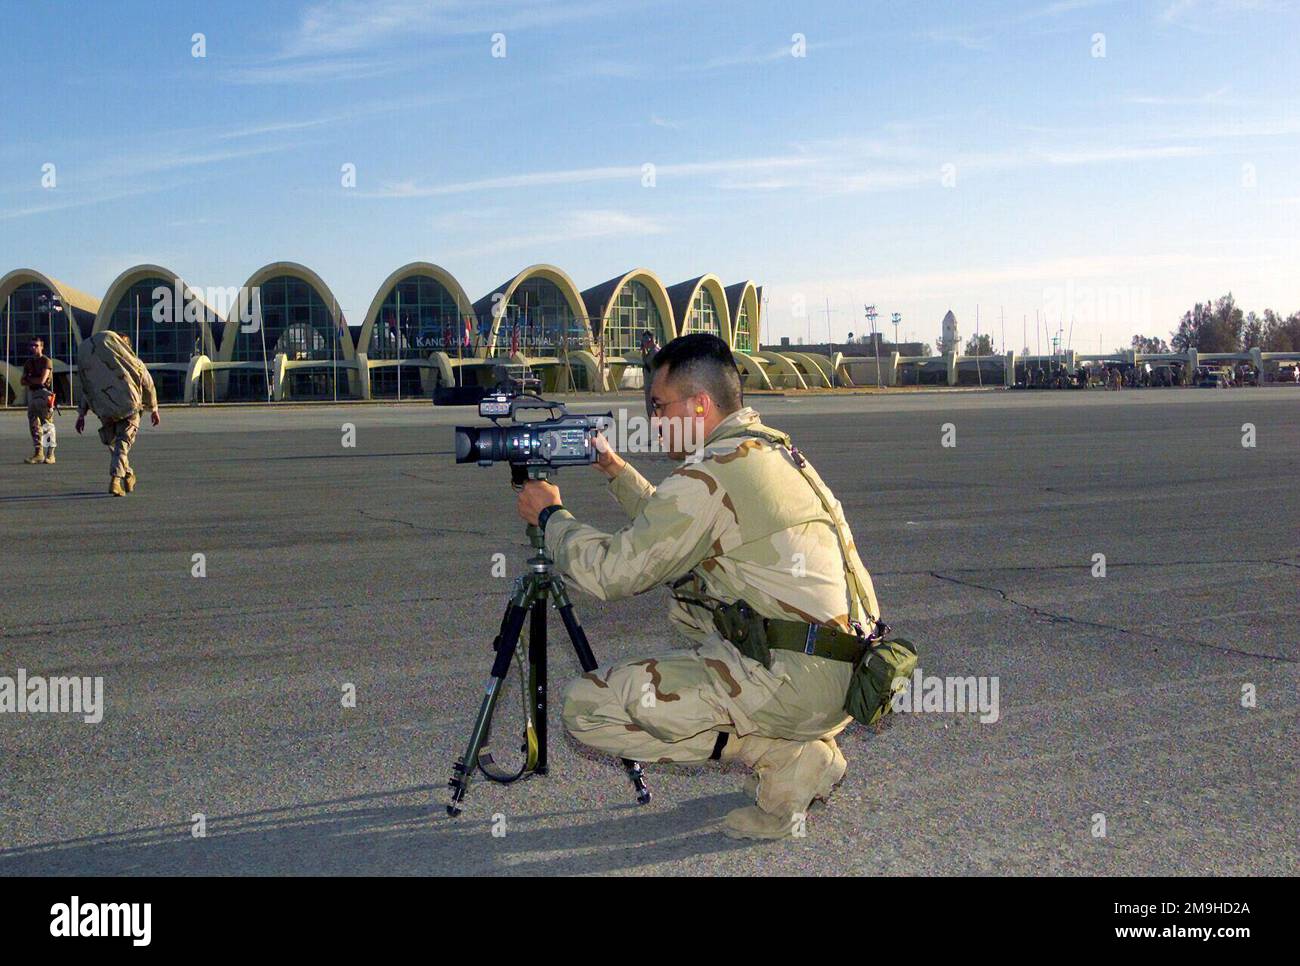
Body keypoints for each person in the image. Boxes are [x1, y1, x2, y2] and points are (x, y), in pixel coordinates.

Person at [515, 333, 885, 840]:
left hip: (801, 684)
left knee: (587, 708)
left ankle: (786, 756)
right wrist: (613, 468)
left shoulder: (709, 475)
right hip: (848, 671)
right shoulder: (766, 449)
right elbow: (673, 529)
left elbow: (613, 572)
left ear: (700, 404)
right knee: (690, 606)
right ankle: (794, 745)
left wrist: (551, 518)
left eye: (659, 406)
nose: (654, 421)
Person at [74, 331, 159, 496]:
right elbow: (148, 384)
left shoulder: (112, 366)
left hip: (115, 409)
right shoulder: (129, 364)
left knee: (119, 445)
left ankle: (121, 477)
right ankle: (122, 476)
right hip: (124, 408)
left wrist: (82, 414)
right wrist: (154, 409)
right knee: (119, 445)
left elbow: (88, 388)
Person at [20, 337, 57, 464]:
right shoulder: (28, 363)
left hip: (43, 394)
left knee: (47, 424)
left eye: (36, 345)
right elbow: (22, 381)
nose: (33, 348)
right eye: (31, 345)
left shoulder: (46, 361)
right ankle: (38, 453)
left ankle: (50, 454)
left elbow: (42, 380)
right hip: (33, 394)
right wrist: (32, 380)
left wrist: (31, 379)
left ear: (42, 347)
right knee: (34, 424)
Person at [638, 329, 660, 420]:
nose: (643, 344)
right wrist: (643, 350)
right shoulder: (651, 352)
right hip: (650, 384)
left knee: (653, 407)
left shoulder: (655, 352)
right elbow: (645, 361)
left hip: (653, 384)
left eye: (644, 342)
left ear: (649, 340)